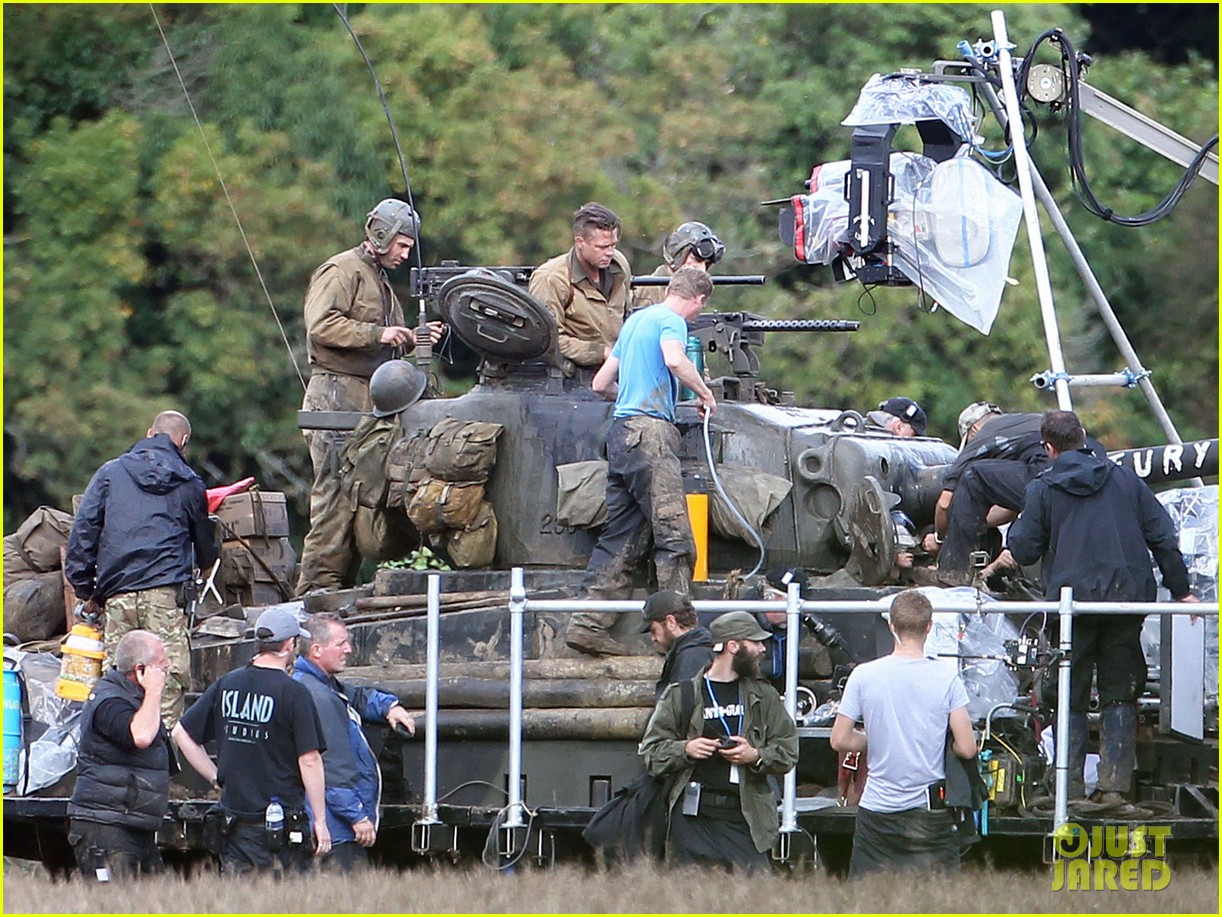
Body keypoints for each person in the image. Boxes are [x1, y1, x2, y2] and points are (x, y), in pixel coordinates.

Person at [1004, 410, 1198, 802]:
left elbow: (1023, 548)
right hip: (1125, 604)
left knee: (1068, 695)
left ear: (1049, 448)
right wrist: (1182, 591)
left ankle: (1069, 789)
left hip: (1072, 608)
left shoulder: (1043, 488)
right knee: (1120, 693)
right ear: (1084, 436)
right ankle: (1114, 788)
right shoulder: (1126, 479)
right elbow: (1162, 536)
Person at [296, 199, 446, 596]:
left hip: (367, 398)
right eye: (401, 244)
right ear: (380, 235)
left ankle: (339, 584)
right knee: (334, 494)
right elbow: (321, 325)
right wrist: (376, 334)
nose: (405, 253)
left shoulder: (379, 280)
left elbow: (388, 339)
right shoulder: (342, 270)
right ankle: (316, 587)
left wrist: (415, 337)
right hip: (335, 395)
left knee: (361, 493)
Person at [566, 267, 717, 656]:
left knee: (622, 536)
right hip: (651, 434)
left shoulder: (635, 321)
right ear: (698, 300)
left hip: (620, 433)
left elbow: (601, 384)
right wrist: (703, 393)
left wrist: (630, 396)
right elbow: (674, 361)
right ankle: (684, 638)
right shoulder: (672, 321)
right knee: (675, 539)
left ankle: (586, 624)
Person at [65, 410, 218, 729]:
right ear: (184, 441)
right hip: (165, 595)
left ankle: (117, 753)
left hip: (117, 595)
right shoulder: (190, 483)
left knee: (117, 681)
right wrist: (205, 565)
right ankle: (159, 762)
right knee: (165, 677)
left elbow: (83, 531)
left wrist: (85, 589)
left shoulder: (110, 473)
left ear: (150, 433)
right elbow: (204, 538)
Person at [172, 608, 331, 874]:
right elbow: (310, 760)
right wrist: (321, 821)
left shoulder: (227, 684)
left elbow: (181, 733)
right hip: (280, 831)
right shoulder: (294, 693)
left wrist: (216, 777)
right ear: (289, 645)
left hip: (235, 828)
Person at [831, 590, 977, 876]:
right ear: (928, 627)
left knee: (869, 900)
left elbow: (839, 739)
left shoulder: (863, 675)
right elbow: (967, 747)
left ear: (891, 626)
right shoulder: (947, 678)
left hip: (876, 810)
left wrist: (875, 739)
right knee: (937, 902)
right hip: (928, 811)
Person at [640, 611, 799, 872]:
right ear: (733, 646)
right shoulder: (682, 695)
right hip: (692, 819)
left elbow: (789, 751)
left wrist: (755, 755)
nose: (762, 649)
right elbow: (651, 753)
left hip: (745, 818)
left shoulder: (764, 695)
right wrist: (686, 749)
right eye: (755, 642)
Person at [292, 613, 417, 871]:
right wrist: (357, 816)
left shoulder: (321, 685)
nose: (348, 649)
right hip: (337, 831)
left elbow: (357, 696)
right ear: (316, 649)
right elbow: (334, 771)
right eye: (341, 643)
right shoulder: (319, 698)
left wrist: (388, 707)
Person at [66, 631, 176, 882]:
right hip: (105, 827)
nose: (167, 665)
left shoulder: (134, 698)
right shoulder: (109, 700)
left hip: (135, 825)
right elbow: (141, 736)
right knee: (113, 907)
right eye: (161, 662)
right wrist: (154, 693)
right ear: (140, 670)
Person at [921, 402, 1062, 585]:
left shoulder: (983, 436)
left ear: (974, 429)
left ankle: (953, 574)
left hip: (1044, 475)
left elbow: (945, 503)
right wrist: (970, 519)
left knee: (973, 474)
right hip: (1066, 477)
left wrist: (941, 539)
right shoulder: (1024, 424)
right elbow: (1013, 505)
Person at [528, 201, 633, 371]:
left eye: (613, 245)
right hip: (574, 375)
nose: (610, 252)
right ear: (580, 242)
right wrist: (601, 352)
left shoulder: (618, 266)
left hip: (619, 366)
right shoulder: (551, 279)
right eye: (602, 247)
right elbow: (548, 339)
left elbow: (627, 312)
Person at [639, 590, 714, 700]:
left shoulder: (690, 659)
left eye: (654, 630)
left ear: (671, 622)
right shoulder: (696, 651)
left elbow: (682, 711)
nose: (653, 638)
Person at [631, 221, 725, 308]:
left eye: (707, 264)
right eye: (696, 259)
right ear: (678, 254)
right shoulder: (645, 291)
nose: (702, 269)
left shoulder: (695, 297)